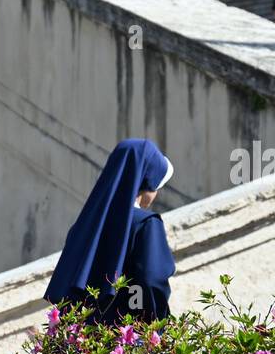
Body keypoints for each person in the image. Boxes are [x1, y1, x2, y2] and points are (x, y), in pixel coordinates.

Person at [43, 138, 177, 325]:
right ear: (147, 183)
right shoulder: (145, 223)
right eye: (157, 187)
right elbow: (152, 281)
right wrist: (156, 325)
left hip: (80, 342)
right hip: (122, 342)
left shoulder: (85, 224)